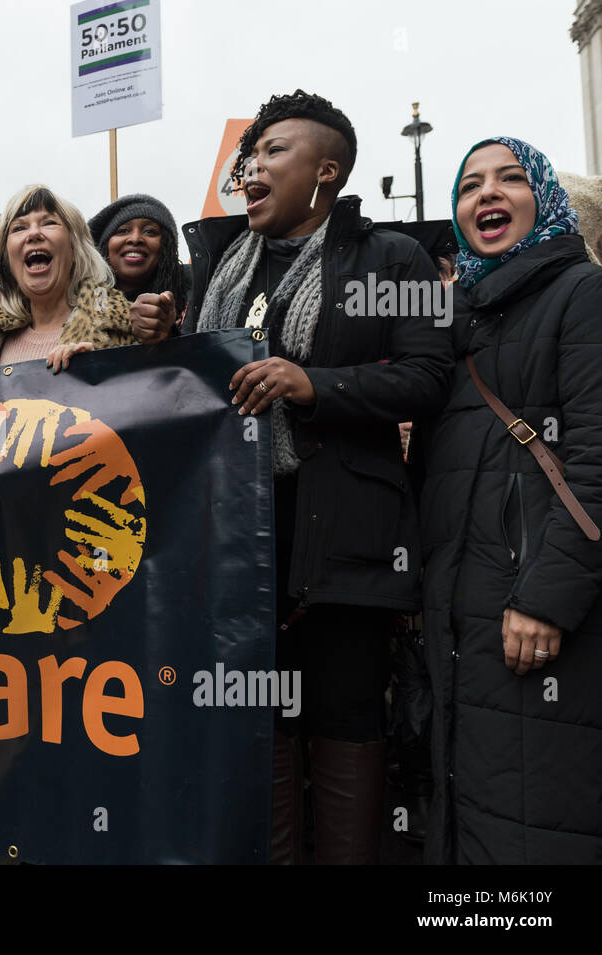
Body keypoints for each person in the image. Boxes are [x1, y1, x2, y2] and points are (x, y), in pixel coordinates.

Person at [181, 90, 452, 864]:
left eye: (274, 152)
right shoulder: (218, 263)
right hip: (237, 544)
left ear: (325, 172)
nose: (253, 166)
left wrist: (313, 385)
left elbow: (429, 375)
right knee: (264, 726)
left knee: (343, 728)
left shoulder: (388, 257)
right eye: (251, 154)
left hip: (347, 549)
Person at [421, 138, 602, 864]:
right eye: (470, 185)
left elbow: (596, 458)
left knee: (539, 817)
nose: (486, 194)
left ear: (547, 200)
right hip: (467, 618)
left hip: (539, 618)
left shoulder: (583, 293)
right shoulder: (462, 317)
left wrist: (547, 599)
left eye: (511, 178)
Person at [0, 185, 134, 372]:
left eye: (49, 223)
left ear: (74, 250)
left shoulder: (125, 328)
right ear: (8, 259)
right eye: (19, 227)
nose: (33, 234)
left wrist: (104, 362)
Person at [87, 193, 187, 338]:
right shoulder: (77, 302)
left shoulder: (195, 292)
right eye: (123, 231)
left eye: (149, 231)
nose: (135, 239)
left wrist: (169, 332)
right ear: (104, 245)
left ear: (167, 247)